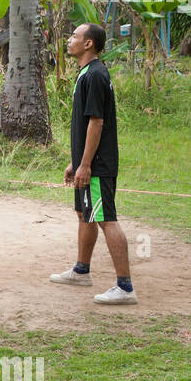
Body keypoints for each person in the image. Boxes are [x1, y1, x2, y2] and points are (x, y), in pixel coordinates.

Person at [49, 22, 137, 305]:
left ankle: (125, 287)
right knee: (84, 214)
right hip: (86, 162)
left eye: (74, 36)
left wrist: (86, 164)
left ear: (88, 44)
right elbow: (86, 124)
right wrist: (75, 162)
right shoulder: (86, 74)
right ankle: (81, 270)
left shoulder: (96, 75)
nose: (69, 39)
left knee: (105, 219)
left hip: (98, 165)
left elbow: (97, 123)